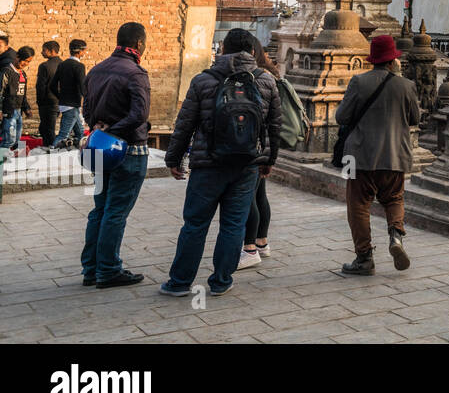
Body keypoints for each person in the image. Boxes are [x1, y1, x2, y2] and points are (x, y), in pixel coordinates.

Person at [159, 28, 281, 297]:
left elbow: (185, 124)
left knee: (195, 224)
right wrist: (269, 159)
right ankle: (221, 281)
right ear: (252, 52)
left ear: (223, 49)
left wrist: (173, 158)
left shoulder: (203, 80)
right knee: (233, 224)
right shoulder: (266, 80)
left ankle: (179, 283)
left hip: (207, 164)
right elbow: (274, 125)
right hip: (246, 165)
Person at [335, 34, 421, 276]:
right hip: (395, 155)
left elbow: (341, 117)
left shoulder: (359, 82)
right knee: (394, 199)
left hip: (357, 157)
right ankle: (396, 236)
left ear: (372, 60)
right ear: (393, 60)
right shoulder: (406, 85)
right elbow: (416, 118)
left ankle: (364, 258)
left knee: (358, 205)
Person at [79, 23, 152, 289]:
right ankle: (108, 269)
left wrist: (99, 128)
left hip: (99, 149)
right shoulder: (136, 74)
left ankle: (91, 268)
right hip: (129, 151)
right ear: (140, 44)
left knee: (100, 208)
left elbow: (86, 109)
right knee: (115, 211)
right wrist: (115, 130)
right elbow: (139, 115)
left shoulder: (96, 70)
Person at [237, 38, 291, 269]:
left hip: (252, 145)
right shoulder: (271, 75)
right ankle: (261, 242)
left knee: (249, 196)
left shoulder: (252, 79)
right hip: (266, 144)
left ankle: (249, 248)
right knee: (259, 195)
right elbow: (276, 120)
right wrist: (272, 155)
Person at [50, 39, 88, 149]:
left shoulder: (62, 64)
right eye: (84, 51)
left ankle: (83, 152)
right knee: (63, 134)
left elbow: (52, 85)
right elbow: (82, 87)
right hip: (72, 105)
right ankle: (53, 151)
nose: (84, 53)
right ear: (80, 51)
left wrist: (60, 97)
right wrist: (88, 100)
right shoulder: (79, 66)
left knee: (80, 132)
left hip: (64, 104)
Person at [1, 45, 34, 150]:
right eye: (24, 60)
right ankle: (2, 162)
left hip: (19, 112)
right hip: (8, 111)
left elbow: (23, 94)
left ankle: (17, 163)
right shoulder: (6, 72)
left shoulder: (23, 74)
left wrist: (27, 108)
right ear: (17, 57)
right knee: (9, 140)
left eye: (28, 62)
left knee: (17, 139)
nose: (26, 64)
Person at [35, 40, 62, 149]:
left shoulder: (44, 66)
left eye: (44, 50)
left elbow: (40, 86)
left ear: (51, 51)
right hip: (60, 101)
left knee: (47, 128)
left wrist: (39, 101)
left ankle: (51, 148)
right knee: (46, 127)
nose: (42, 52)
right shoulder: (63, 64)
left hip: (46, 101)